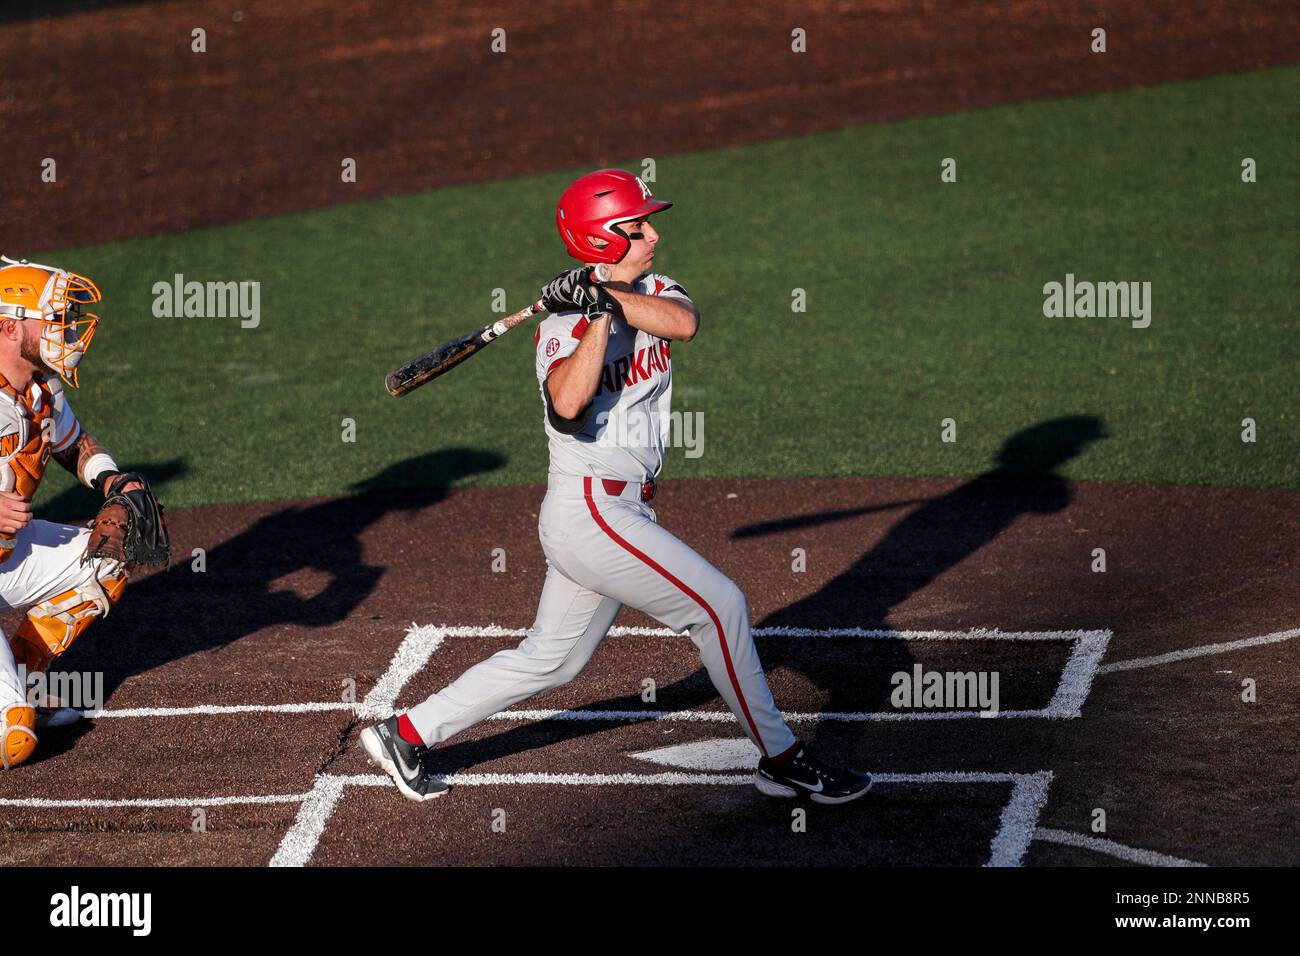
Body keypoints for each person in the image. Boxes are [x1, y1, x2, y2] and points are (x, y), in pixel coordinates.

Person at [360, 170, 871, 805]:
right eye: (637, 226)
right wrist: (594, 316)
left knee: (554, 659)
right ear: (603, 240)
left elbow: (683, 322)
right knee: (720, 608)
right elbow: (568, 408)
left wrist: (608, 297)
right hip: (590, 511)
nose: (653, 234)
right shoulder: (557, 329)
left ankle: (406, 732)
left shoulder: (654, 289)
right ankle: (784, 758)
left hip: (618, 510)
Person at [0, 256, 168, 769]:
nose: (66, 330)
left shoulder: (41, 389)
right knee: (15, 738)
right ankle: (11, 709)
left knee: (108, 560)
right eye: (53, 319)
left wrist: (115, 480)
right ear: (9, 326)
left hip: (6, 556)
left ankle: (23, 683)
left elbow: (75, 447)